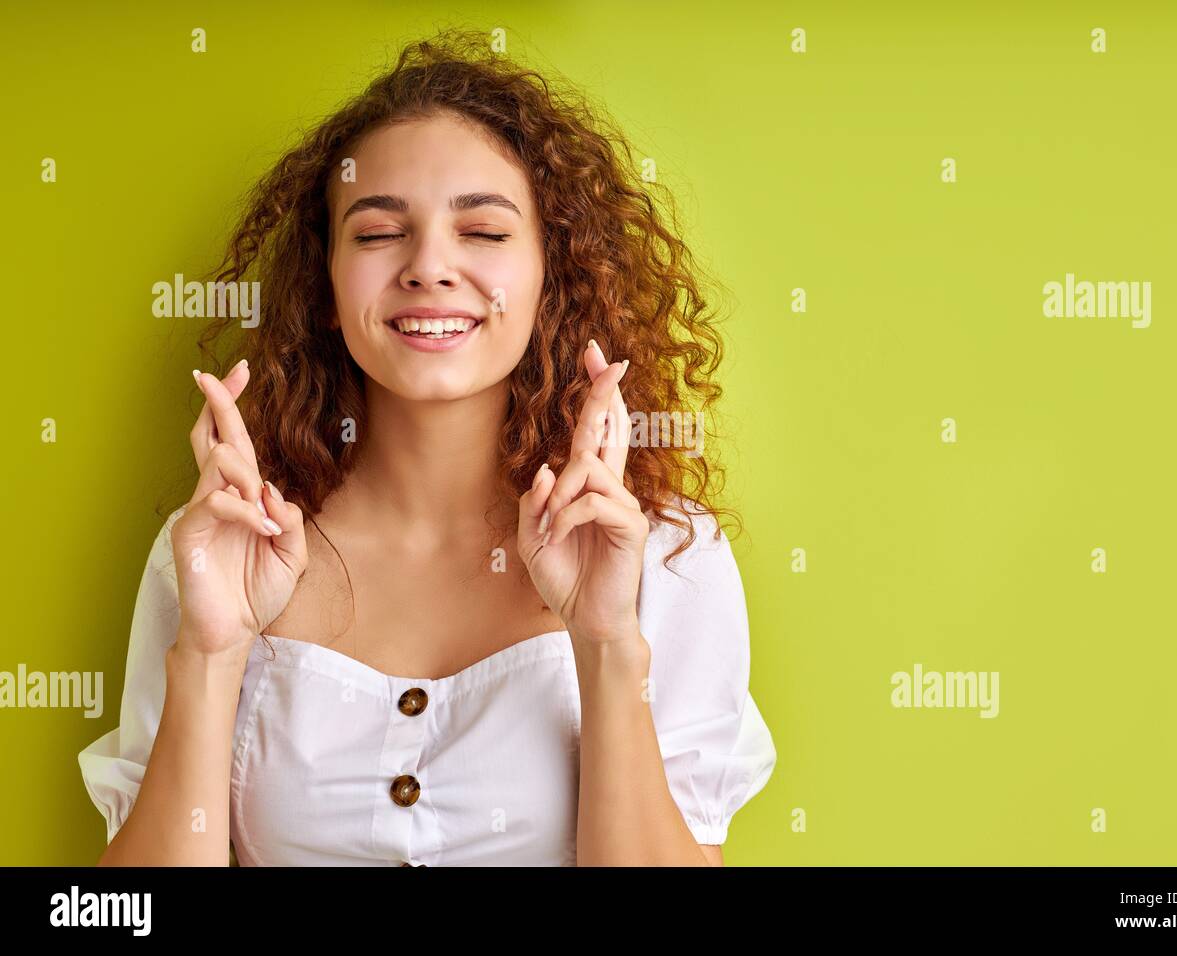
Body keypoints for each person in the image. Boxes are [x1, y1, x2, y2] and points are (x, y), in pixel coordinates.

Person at [78, 30, 776, 866]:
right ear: (326, 289)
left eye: (483, 231)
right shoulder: (218, 546)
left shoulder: (664, 557)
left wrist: (605, 647)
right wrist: (209, 656)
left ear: (551, 275)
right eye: (377, 235)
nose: (429, 268)